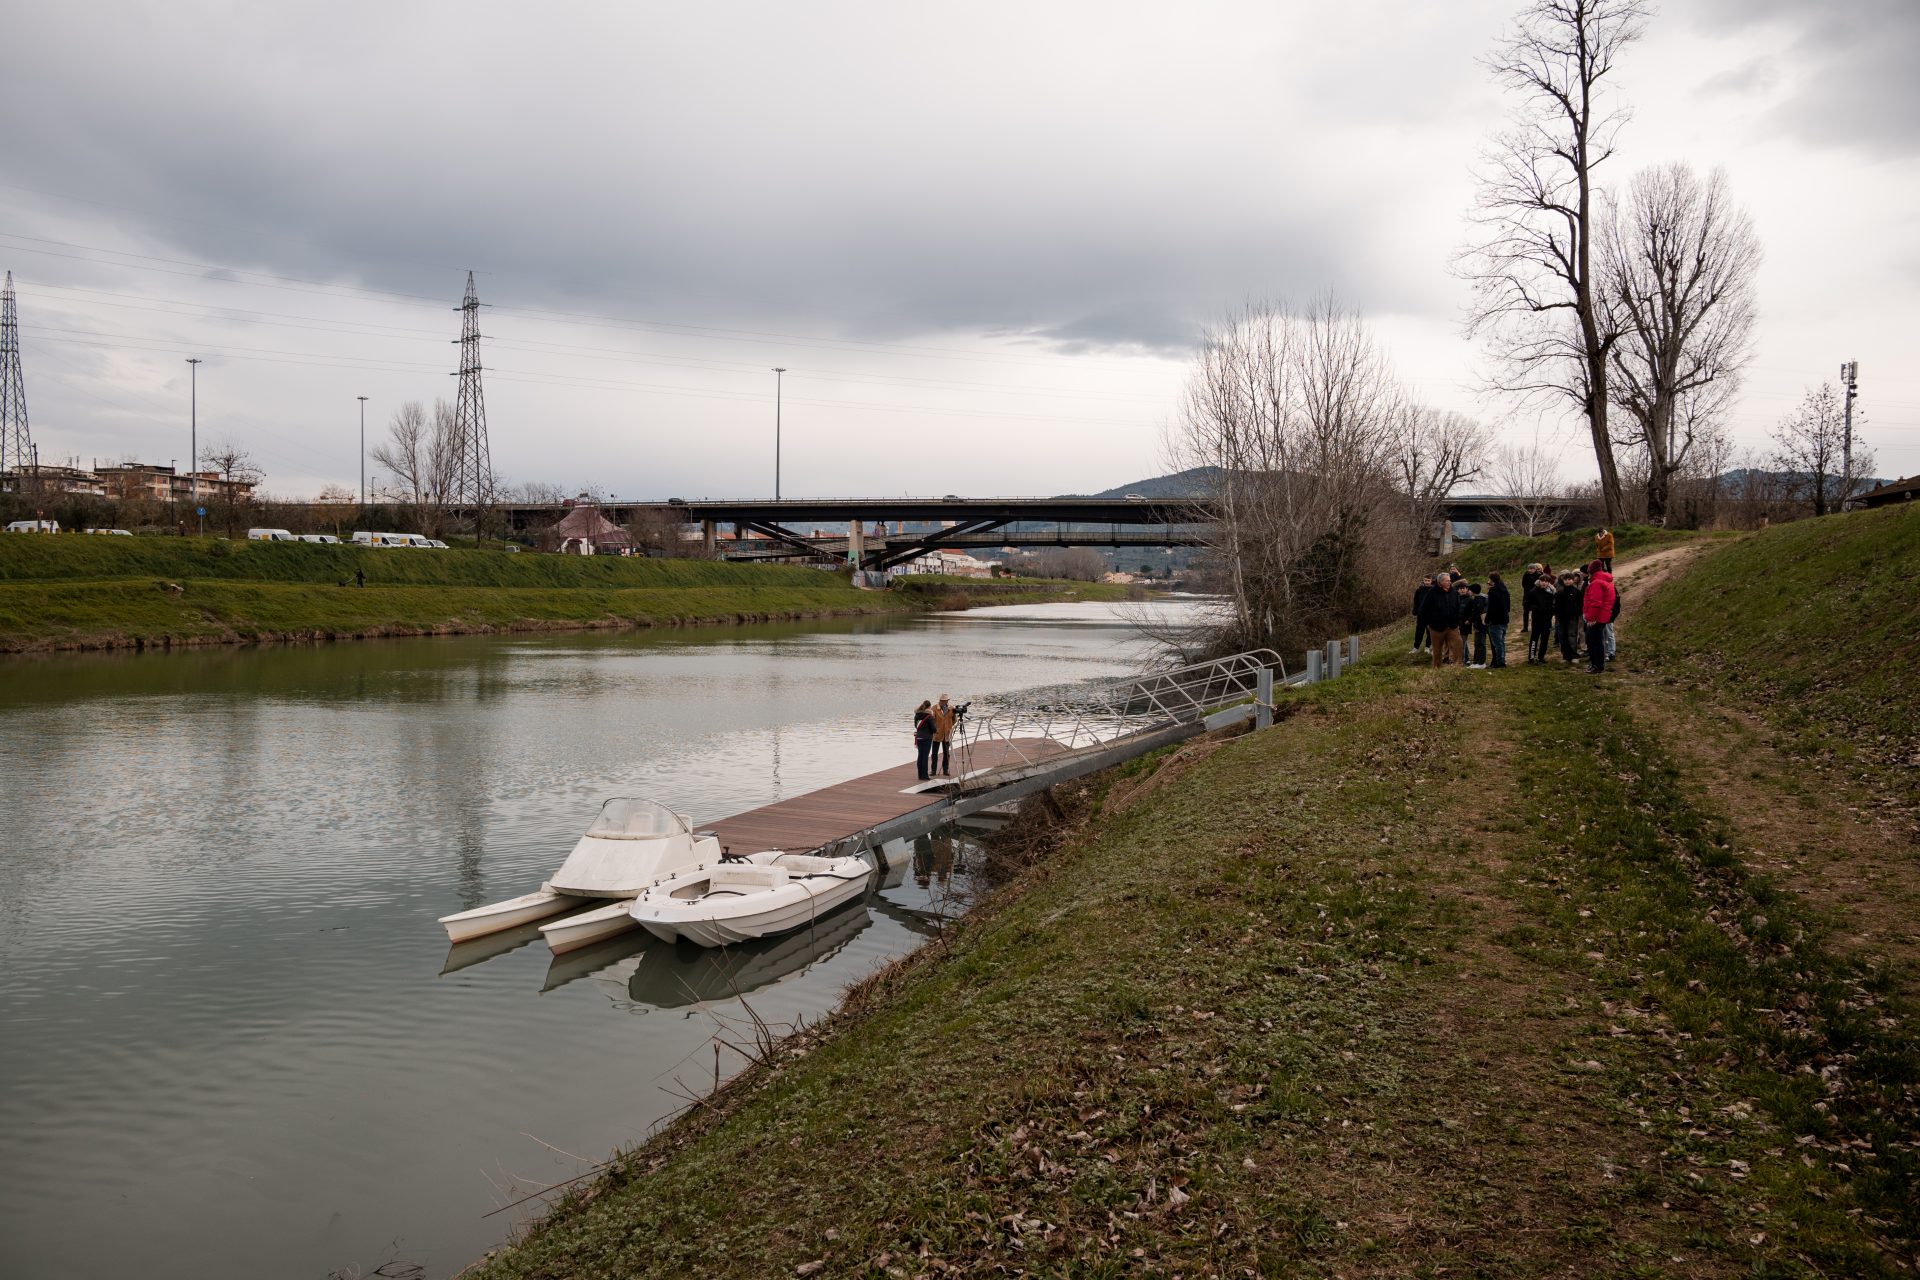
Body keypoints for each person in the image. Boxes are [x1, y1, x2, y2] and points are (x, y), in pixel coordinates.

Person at [1423, 571, 1463, 668]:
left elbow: (1458, 606)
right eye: (1447, 581)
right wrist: (1428, 623)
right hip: (1436, 627)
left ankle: (1457, 666)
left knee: (1458, 644)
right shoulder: (1432, 592)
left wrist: (1457, 620)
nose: (1449, 582)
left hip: (1452, 625)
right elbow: (1424, 608)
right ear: (1440, 582)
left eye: (1449, 580)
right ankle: (1437, 668)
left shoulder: (1453, 591)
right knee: (1437, 650)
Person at [1582, 560, 1616, 673]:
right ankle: (1597, 664)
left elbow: (1595, 603)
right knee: (1597, 641)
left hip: (1596, 618)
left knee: (1593, 642)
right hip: (1603, 616)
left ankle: (1596, 665)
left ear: (1591, 571)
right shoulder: (1607, 580)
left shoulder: (1596, 583)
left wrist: (1591, 618)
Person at [1525, 573, 1556, 663]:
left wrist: (1551, 611)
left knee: (1545, 639)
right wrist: (1536, 608)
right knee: (1534, 638)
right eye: (1542, 581)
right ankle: (1531, 657)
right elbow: (1526, 603)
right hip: (1536, 619)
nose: (1544, 583)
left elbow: (1554, 605)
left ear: (1549, 583)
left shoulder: (1551, 592)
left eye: (1546, 581)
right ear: (1539, 581)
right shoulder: (1533, 591)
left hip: (1547, 619)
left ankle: (1541, 657)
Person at [1555, 571, 1585, 663]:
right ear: (1563, 580)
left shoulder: (1577, 592)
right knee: (1563, 636)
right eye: (1566, 580)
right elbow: (1556, 606)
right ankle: (1565, 656)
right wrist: (1558, 616)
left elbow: (1581, 605)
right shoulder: (1560, 592)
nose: (1567, 581)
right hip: (1562, 618)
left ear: (1573, 580)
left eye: (1569, 579)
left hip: (1573, 618)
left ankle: (1573, 655)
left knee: (1572, 635)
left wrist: (1576, 612)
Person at [1485, 572, 1510, 669]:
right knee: (1502, 641)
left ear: (1491, 580)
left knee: (1497, 643)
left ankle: (1499, 662)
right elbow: (1508, 605)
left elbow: (1491, 608)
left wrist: (1487, 619)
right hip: (1504, 618)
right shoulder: (1504, 590)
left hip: (1495, 620)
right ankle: (1502, 660)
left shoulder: (1493, 592)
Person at [930, 694, 959, 777]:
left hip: (947, 734)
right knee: (934, 753)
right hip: (937, 734)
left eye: (946, 700)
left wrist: (949, 727)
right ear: (940, 700)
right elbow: (931, 720)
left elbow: (954, 720)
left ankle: (945, 770)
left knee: (946, 753)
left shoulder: (951, 708)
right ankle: (933, 770)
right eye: (942, 700)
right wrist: (935, 729)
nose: (944, 702)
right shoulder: (934, 708)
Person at [1465, 580, 1488, 668]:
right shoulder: (1476, 599)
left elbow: (1479, 615)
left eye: (1469, 590)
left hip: (1481, 626)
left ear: (1473, 591)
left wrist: (1475, 623)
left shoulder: (1480, 601)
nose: (1468, 591)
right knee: (1476, 643)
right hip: (1477, 625)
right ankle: (1475, 662)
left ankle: (1481, 663)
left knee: (1481, 644)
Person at [912, 700, 935, 781]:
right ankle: (925, 775)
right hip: (927, 738)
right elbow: (934, 729)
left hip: (918, 738)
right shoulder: (929, 716)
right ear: (929, 707)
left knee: (920, 756)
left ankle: (920, 775)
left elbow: (916, 726)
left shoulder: (916, 715)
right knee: (925, 757)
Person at [1411, 574, 1434, 653]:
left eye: (1428, 581)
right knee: (1419, 632)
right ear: (1423, 581)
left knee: (1429, 632)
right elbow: (1416, 602)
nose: (1427, 582)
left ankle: (1427, 647)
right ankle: (1416, 647)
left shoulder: (1433, 590)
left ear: (1431, 581)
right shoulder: (1419, 590)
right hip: (1421, 615)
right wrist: (1415, 611)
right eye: (1425, 580)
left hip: (1430, 615)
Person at [1519, 564, 1540, 634]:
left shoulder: (1539, 575)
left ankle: (1534, 627)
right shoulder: (1526, 575)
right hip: (1527, 595)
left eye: (1532, 569)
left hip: (1535, 596)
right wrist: (1527, 589)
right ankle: (1525, 627)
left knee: (1535, 613)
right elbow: (1523, 584)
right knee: (1525, 612)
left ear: (1535, 569)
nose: (1530, 570)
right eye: (1529, 569)